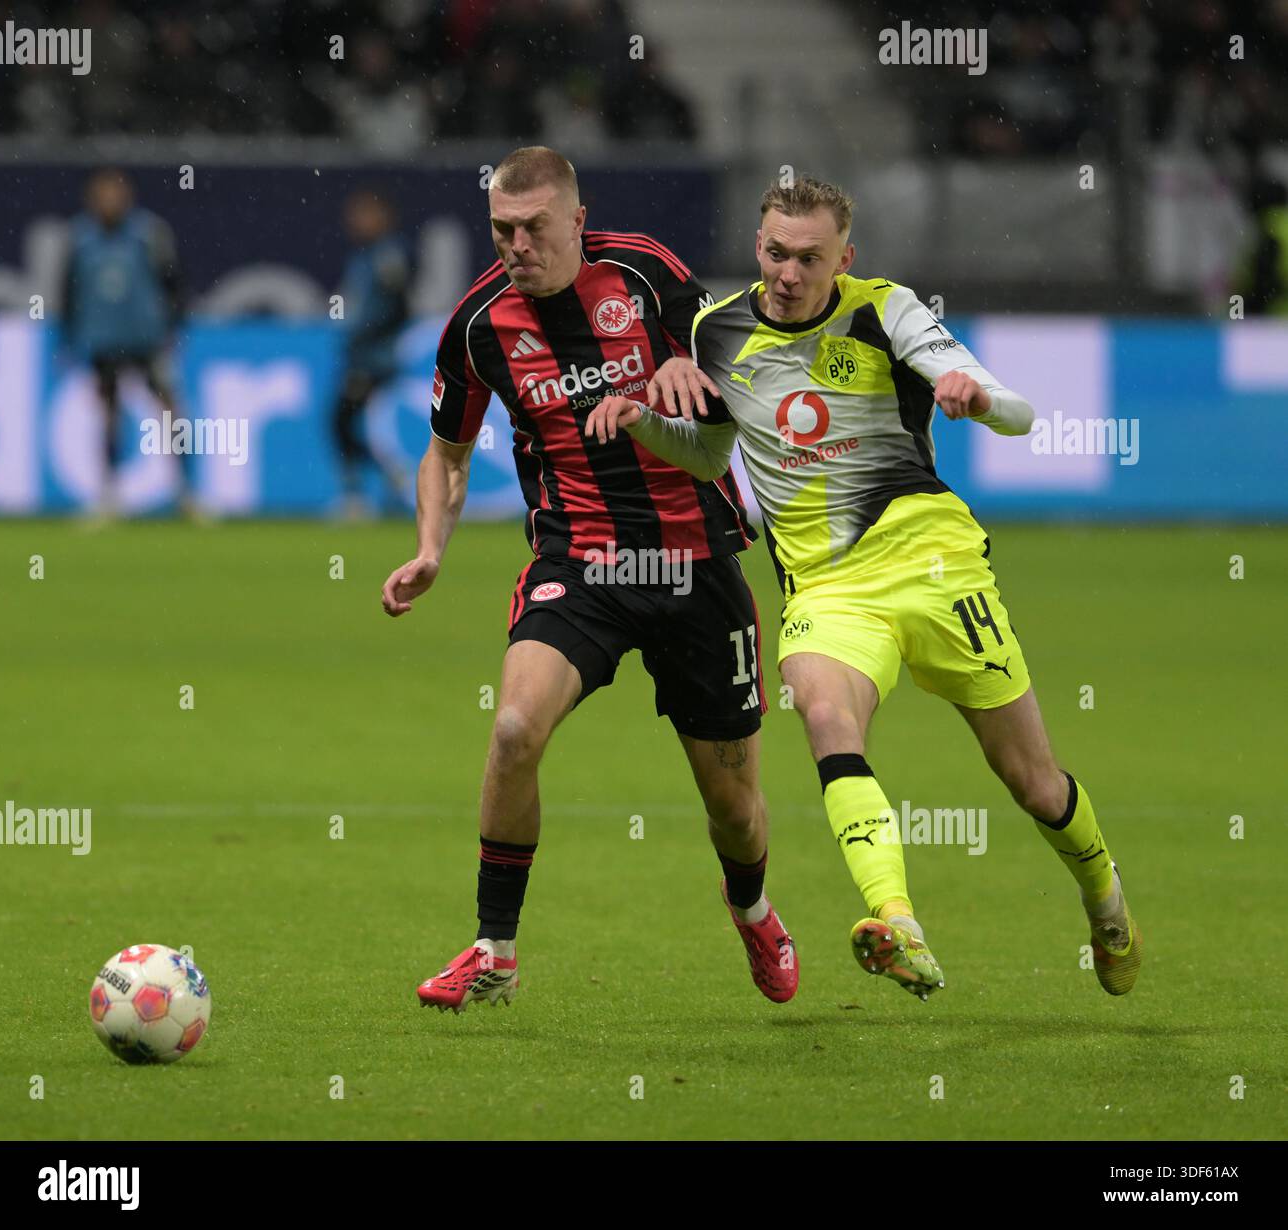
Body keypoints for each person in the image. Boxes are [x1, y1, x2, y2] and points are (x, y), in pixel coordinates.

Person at [585, 174, 1143, 1001]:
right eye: (775, 252)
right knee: (822, 712)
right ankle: (899, 921)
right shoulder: (716, 332)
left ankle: (1104, 895)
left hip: (933, 563)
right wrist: (647, 427)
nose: (788, 273)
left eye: (810, 258)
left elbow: (1022, 413)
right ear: (757, 246)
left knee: (1032, 780)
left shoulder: (887, 311)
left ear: (844, 258)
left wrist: (977, 396)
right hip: (826, 588)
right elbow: (709, 457)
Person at [380, 147, 797, 1013]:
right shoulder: (477, 326)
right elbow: (446, 456)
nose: (517, 245)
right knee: (511, 732)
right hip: (581, 564)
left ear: (577, 218)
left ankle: (752, 907)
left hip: (695, 564)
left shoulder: (643, 270)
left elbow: (714, 354)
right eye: (501, 229)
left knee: (734, 808)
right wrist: (431, 548)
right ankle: (494, 950)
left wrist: (689, 368)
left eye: (534, 227)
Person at [61, 168, 184, 518]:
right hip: (103, 339)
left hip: (147, 338)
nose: (109, 202)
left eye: (114, 194)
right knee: (110, 417)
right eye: (102, 195)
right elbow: (68, 291)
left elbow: (174, 283)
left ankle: (185, 491)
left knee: (170, 412)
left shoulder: (149, 234)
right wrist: (71, 337)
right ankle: (109, 495)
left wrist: (171, 328)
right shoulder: (80, 238)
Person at [333, 188, 415, 517]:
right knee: (351, 423)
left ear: (383, 217)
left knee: (341, 421)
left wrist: (367, 334)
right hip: (362, 354)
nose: (356, 221)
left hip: (374, 357)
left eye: (364, 213)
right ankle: (387, 482)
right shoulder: (365, 255)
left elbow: (398, 306)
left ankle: (362, 493)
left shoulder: (387, 255)